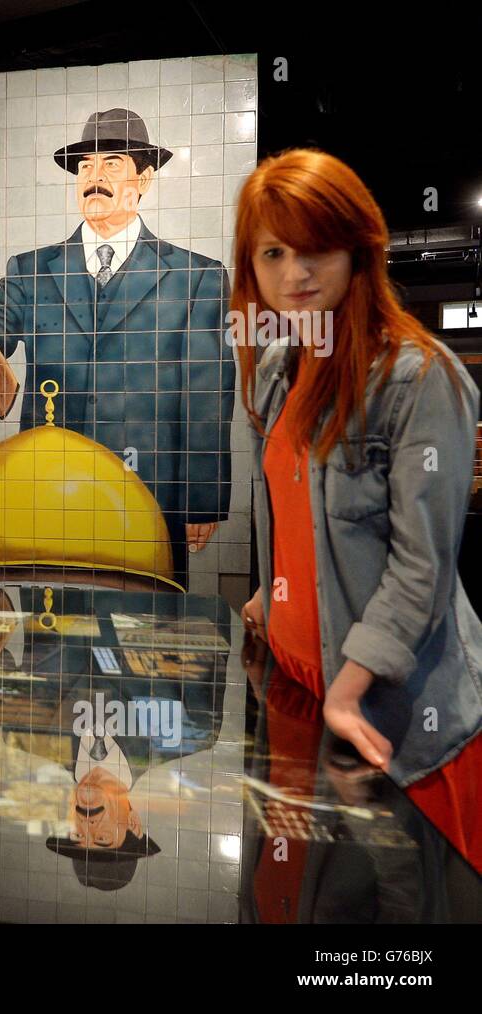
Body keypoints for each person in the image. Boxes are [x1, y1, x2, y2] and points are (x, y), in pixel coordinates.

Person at [233, 148, 482, 873]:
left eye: (317, 248)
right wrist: (265, 595)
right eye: (273, 252)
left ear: (359, 248)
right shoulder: (278, 371)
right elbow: (289, 511)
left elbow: (422, 568)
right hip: (301, 700)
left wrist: (348, 691)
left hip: (395, 727)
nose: (294, 273)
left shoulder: (421, 377)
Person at [0, 108, 234, 587]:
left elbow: (207, 397)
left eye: (112, 164)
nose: (93, 178)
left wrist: (200, 499)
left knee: (147, 635)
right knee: (48, 634)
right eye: (84, 168)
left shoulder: (196, 277)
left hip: (148, 493)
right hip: (49, 491)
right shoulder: (31, 270)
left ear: (144, 181)